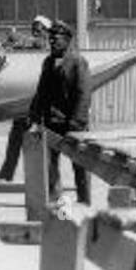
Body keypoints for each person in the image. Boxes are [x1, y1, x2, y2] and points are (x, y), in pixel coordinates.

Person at [27, 19, 92, 204]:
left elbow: (84, 93)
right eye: (51, 37)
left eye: (57, 37)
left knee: (80, 167)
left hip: (73, 125)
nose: (53, 41)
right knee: (49, 166)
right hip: (51, 123)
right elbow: (41, 92)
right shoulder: (48, 62)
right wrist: (34, 115)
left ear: (68, 40)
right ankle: (55, 203)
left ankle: (84, 202)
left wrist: (77, 123)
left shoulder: (78, 62)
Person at [0, 14, 50, 182]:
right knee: (15, 138)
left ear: (46, 31)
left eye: (39, 29)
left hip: (39, 103)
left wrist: (15, 35)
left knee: (39, 142)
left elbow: (33, 43)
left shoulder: (45, 44)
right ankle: (7, 172)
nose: (35, 32)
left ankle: (42, 178)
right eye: (34, 28)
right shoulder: (31, 46)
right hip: (25, 101)